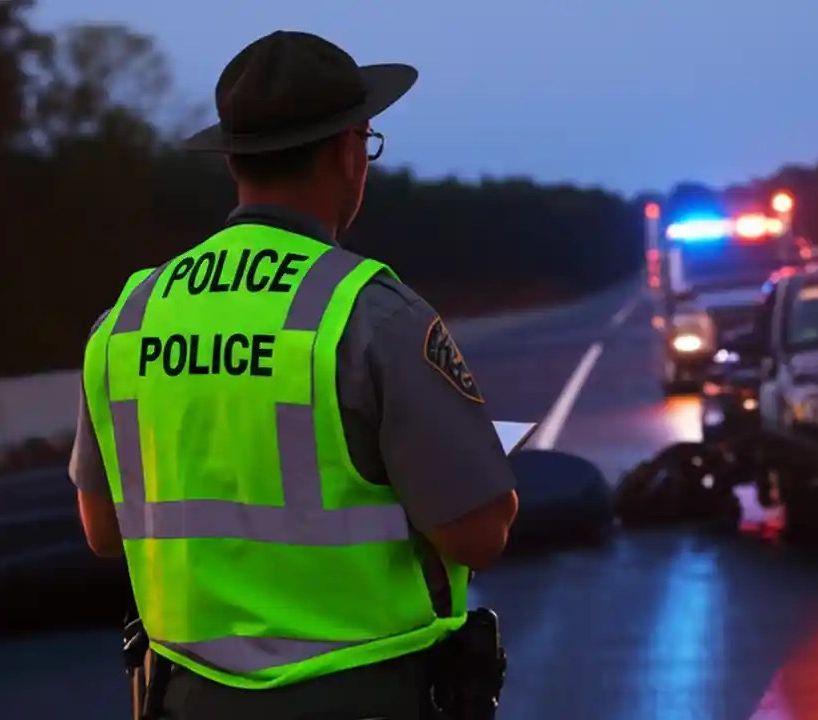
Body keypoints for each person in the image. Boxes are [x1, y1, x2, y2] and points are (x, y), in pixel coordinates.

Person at [68, 30, 519, 719]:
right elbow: (478, 533)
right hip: (362, 691)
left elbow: (104, 530)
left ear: (235, 161)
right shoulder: (370, 314)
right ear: (347, 150)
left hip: (186, 695)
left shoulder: (128, 318)